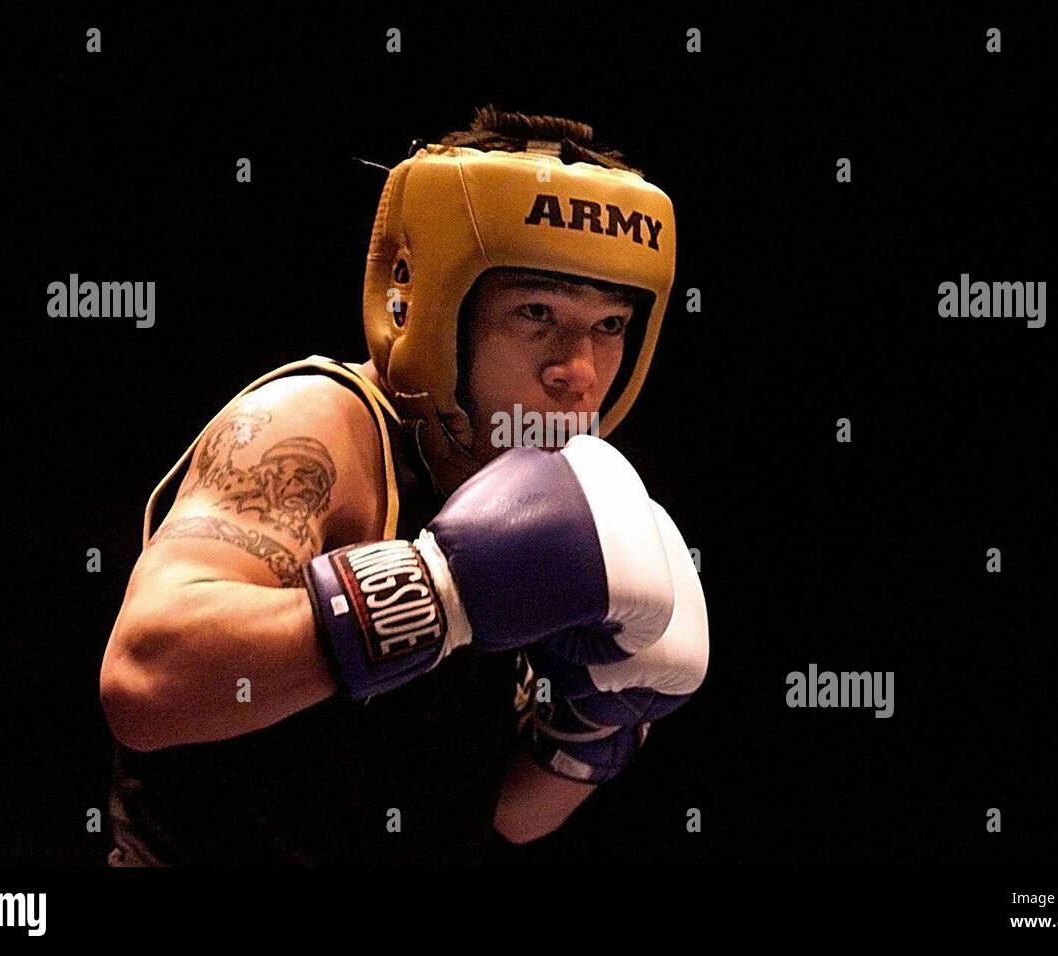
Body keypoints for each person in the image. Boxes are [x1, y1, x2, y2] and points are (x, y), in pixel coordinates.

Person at [98, 106, 709, 865]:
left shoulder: (564, 503)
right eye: (536, 312)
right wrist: (433, 594)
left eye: (610, 325)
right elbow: (144, 680)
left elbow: (513, 817)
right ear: (427, 306)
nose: (576, 370)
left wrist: (595, 726)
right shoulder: (318, 425)